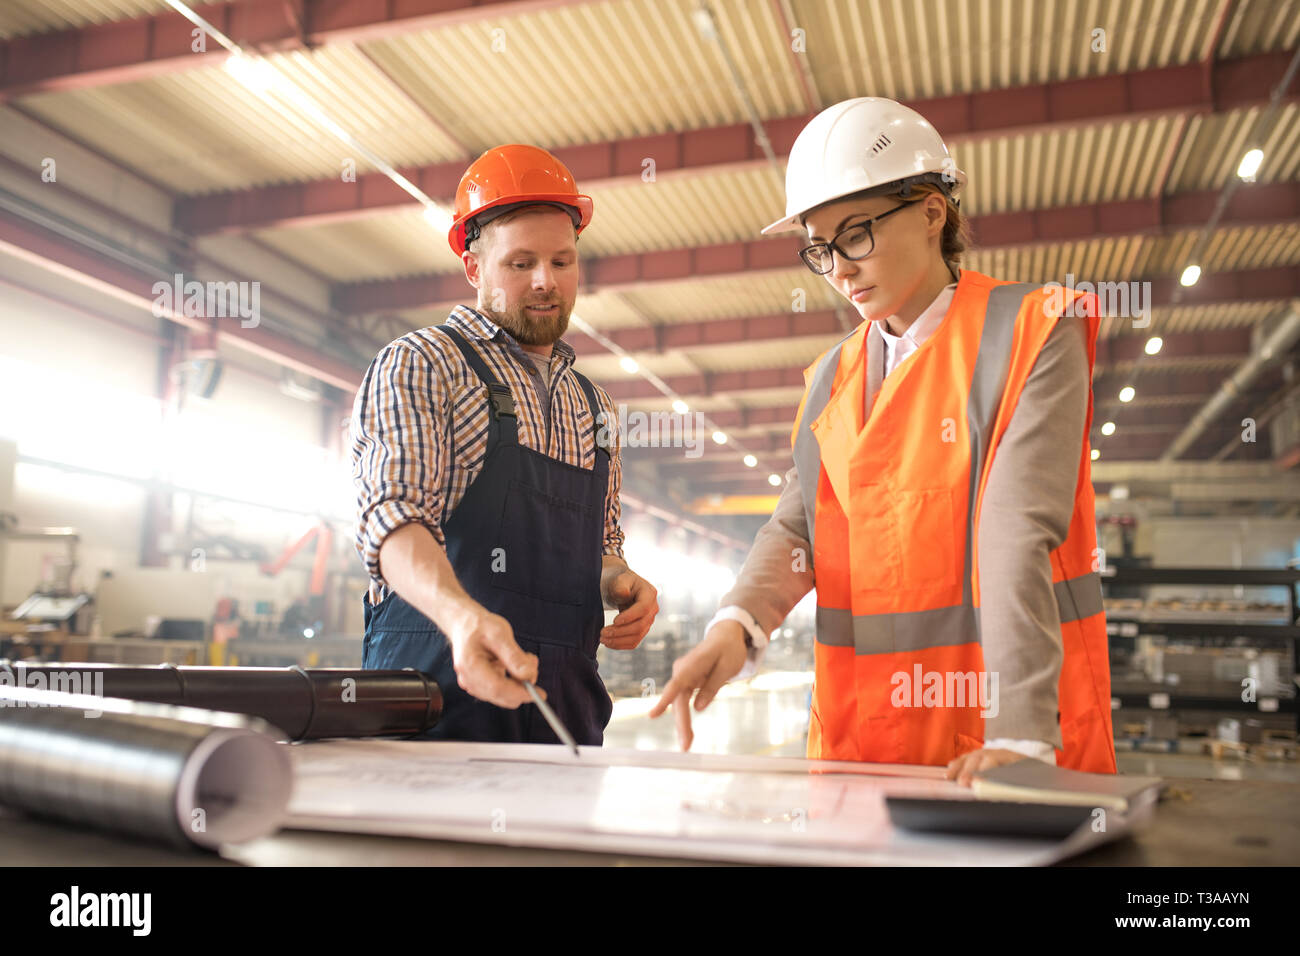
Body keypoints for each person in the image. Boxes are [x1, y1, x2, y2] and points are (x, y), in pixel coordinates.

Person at [650, 98, 1117, 783]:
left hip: (1004, 736)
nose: (839, 268)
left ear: (933, 213)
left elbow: (1016, 526)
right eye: (819, 247)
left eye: (857, 234)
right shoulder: (832, 378)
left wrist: (1023, 735)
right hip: (861, 746)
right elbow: (797, 527)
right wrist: (736, 624)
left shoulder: (1034, 332)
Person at [350, 144, 659, 744]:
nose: (546, 282)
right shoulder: (422, 364)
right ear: (474, 269)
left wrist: (620, 583)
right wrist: (462, 618)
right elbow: (393, 520)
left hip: (564, 710)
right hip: (436, 699)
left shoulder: (594, 405)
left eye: (562, 262)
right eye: (521, 264)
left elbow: (599, 548)